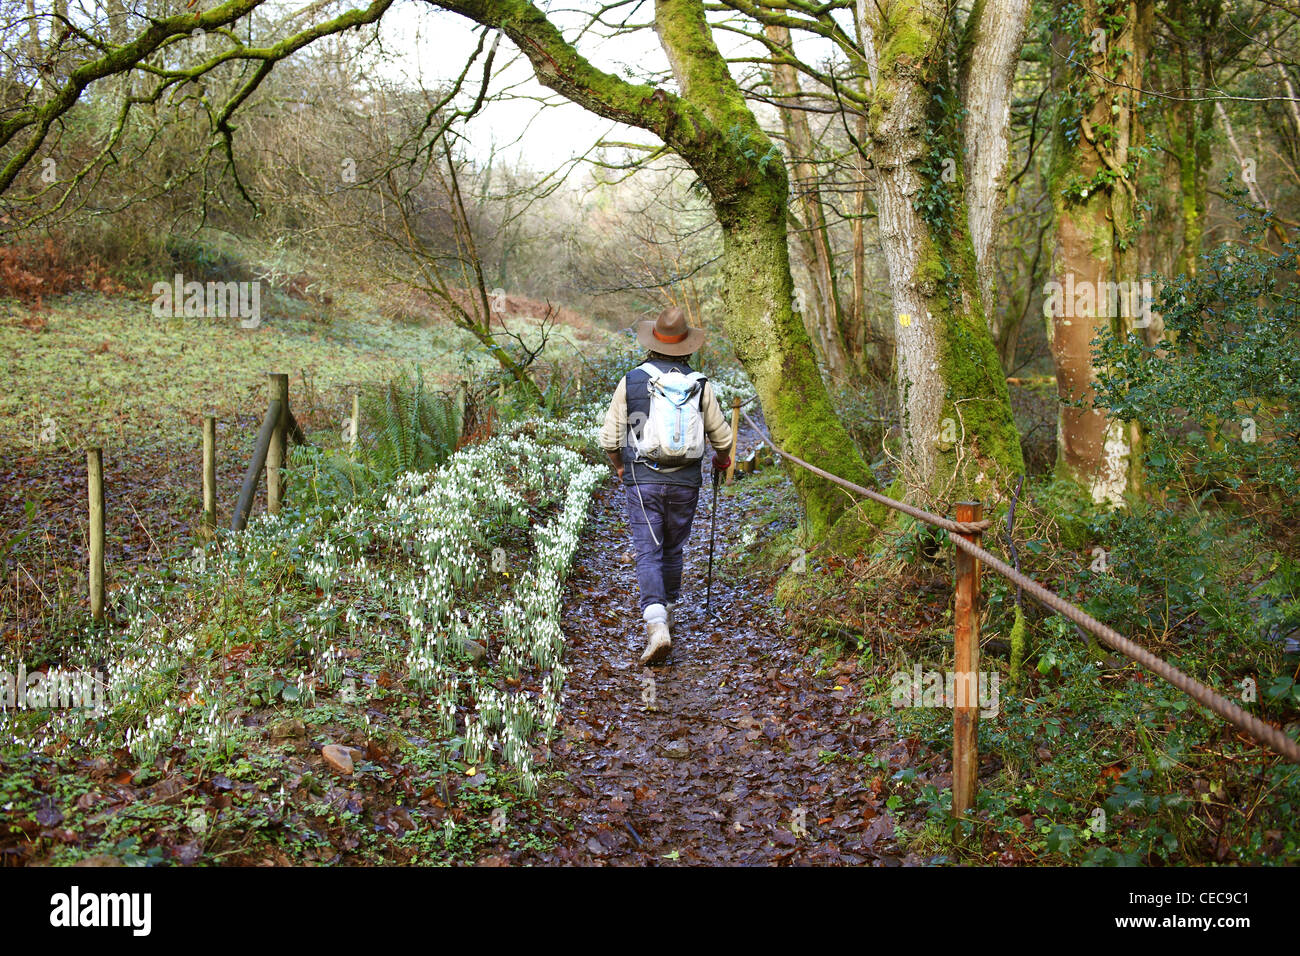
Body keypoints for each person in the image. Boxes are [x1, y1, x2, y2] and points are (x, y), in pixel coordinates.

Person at [598, 306, 733, 665]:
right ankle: (669, 610)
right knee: (673, 548)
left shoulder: (632, 380)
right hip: (686, 481)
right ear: (686, 347)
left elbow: (610, 438)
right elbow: (722, 437)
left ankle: (656, 624)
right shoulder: (700, 385)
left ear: (652, 342)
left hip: (644, 477)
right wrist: (722, 461)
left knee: (648, 549)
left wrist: (620, 467)